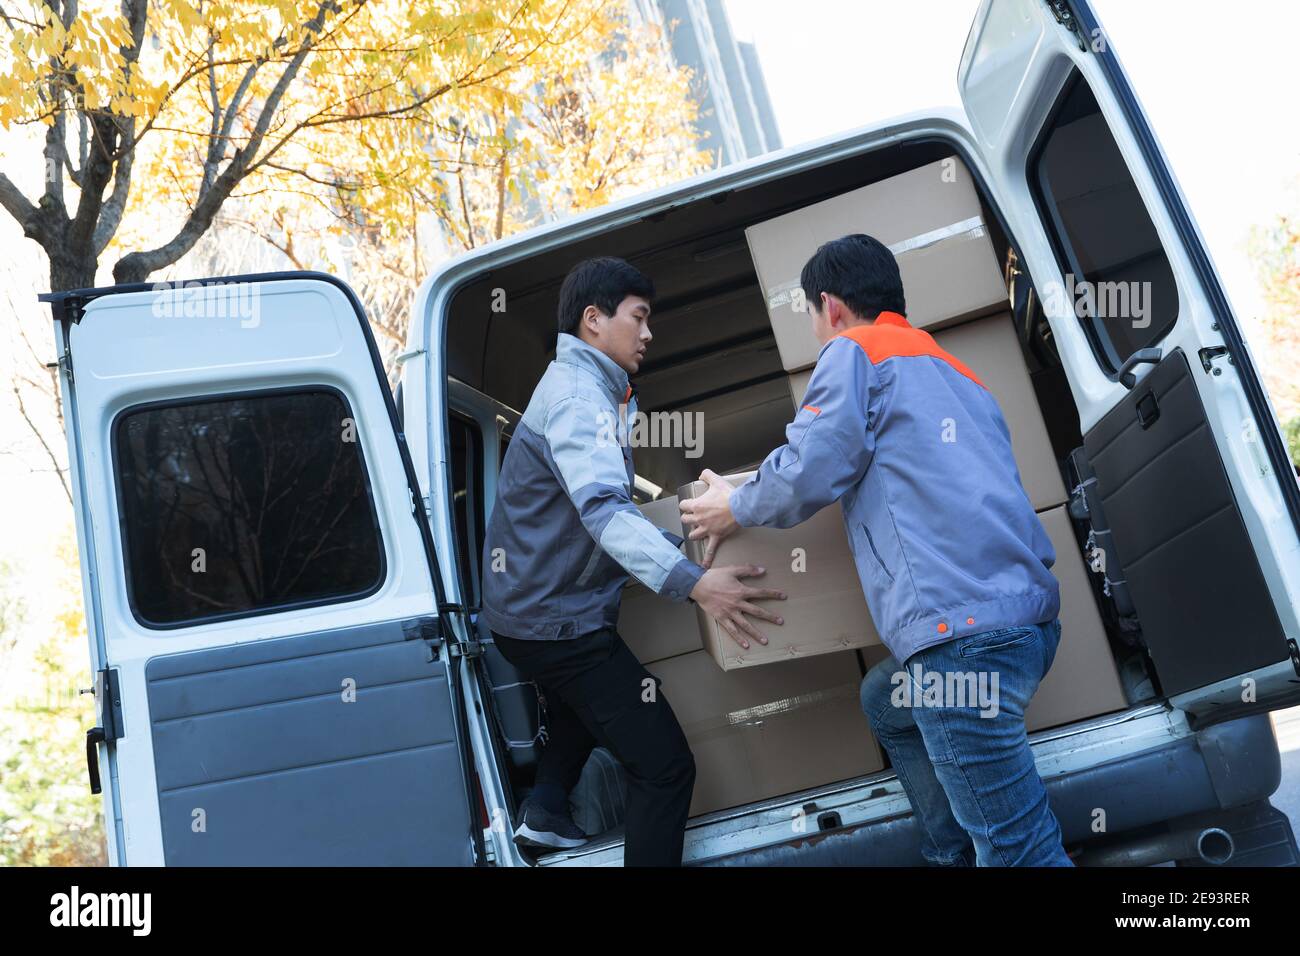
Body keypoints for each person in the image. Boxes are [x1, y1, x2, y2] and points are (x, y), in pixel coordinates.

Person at [679, 234, 1072, 866]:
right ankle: (954, 855)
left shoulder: (853, 352)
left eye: (811, 315)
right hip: (1026, 627)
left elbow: (813, 466)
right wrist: (752, 484)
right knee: (886, 702)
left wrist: (735, 505)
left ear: (830, 307)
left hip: (958, 646)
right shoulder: (950, 368)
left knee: (1023, 853)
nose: (816, 331)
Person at [480, 256, 785, 866]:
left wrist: (685, 532)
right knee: (667, 768)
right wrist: (697, 583)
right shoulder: (578, 400)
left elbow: (599, 511)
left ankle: (544, 811)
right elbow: (604, 513)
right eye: (639, 318)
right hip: (555, 624)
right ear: (594, 320)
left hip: (538, 615)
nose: (649, 334)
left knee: (581, 702)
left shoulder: (593, 389)